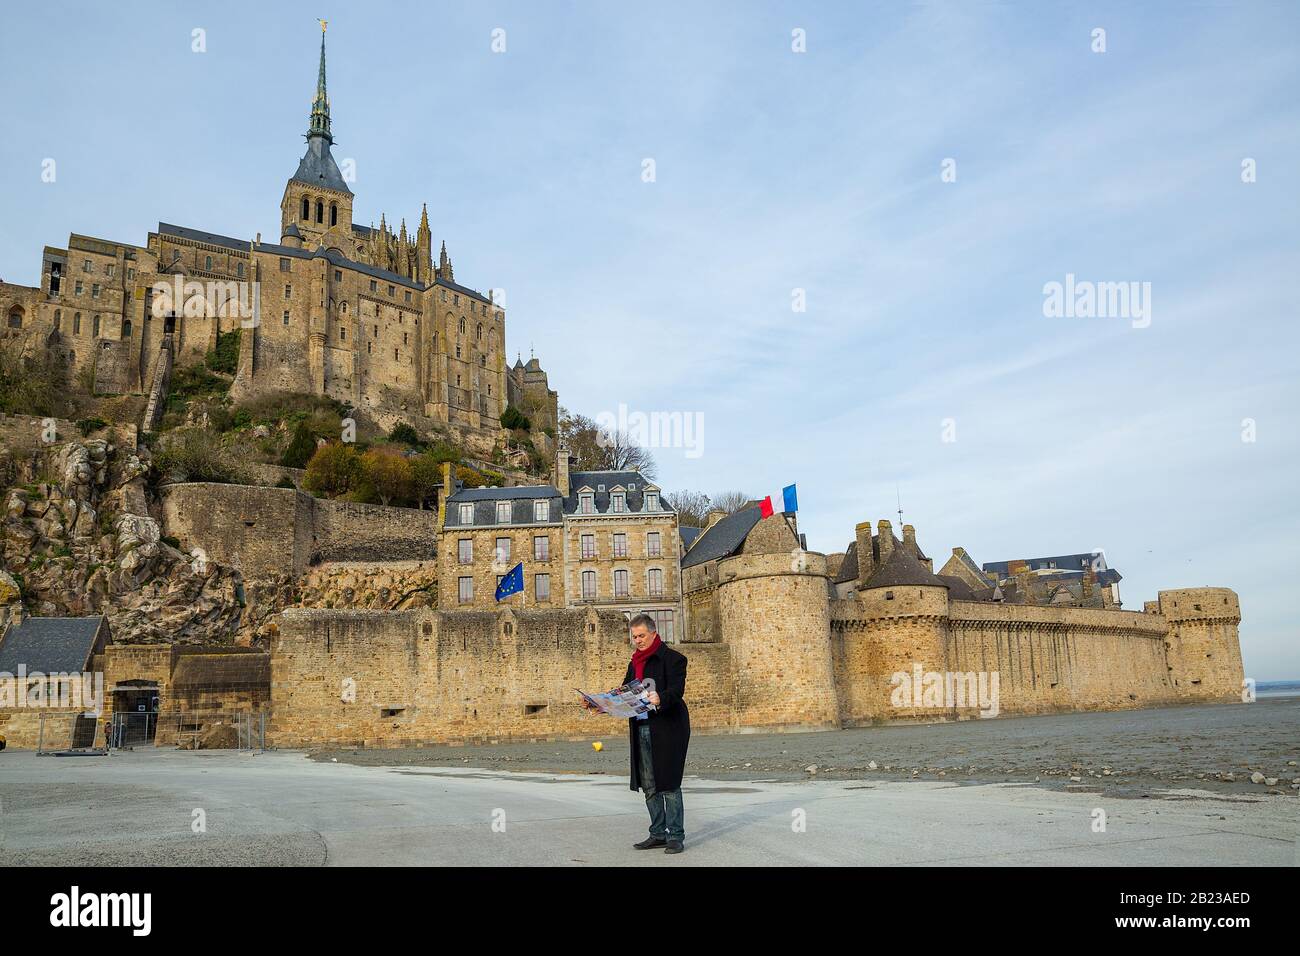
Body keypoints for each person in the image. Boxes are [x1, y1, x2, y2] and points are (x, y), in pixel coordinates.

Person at [582, 612, 690, 853]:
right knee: (649, 783)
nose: (638, 640)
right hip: (641, 728)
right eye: (634, 636)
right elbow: (622, 694)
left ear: (653, 633)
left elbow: (676, 691)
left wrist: (660, 697)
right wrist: (600, 705)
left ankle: (676, 836)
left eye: (641, 635)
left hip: (668, 729)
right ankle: (658, 833)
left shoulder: (674, 659)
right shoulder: (634, 663)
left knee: (669, 783)